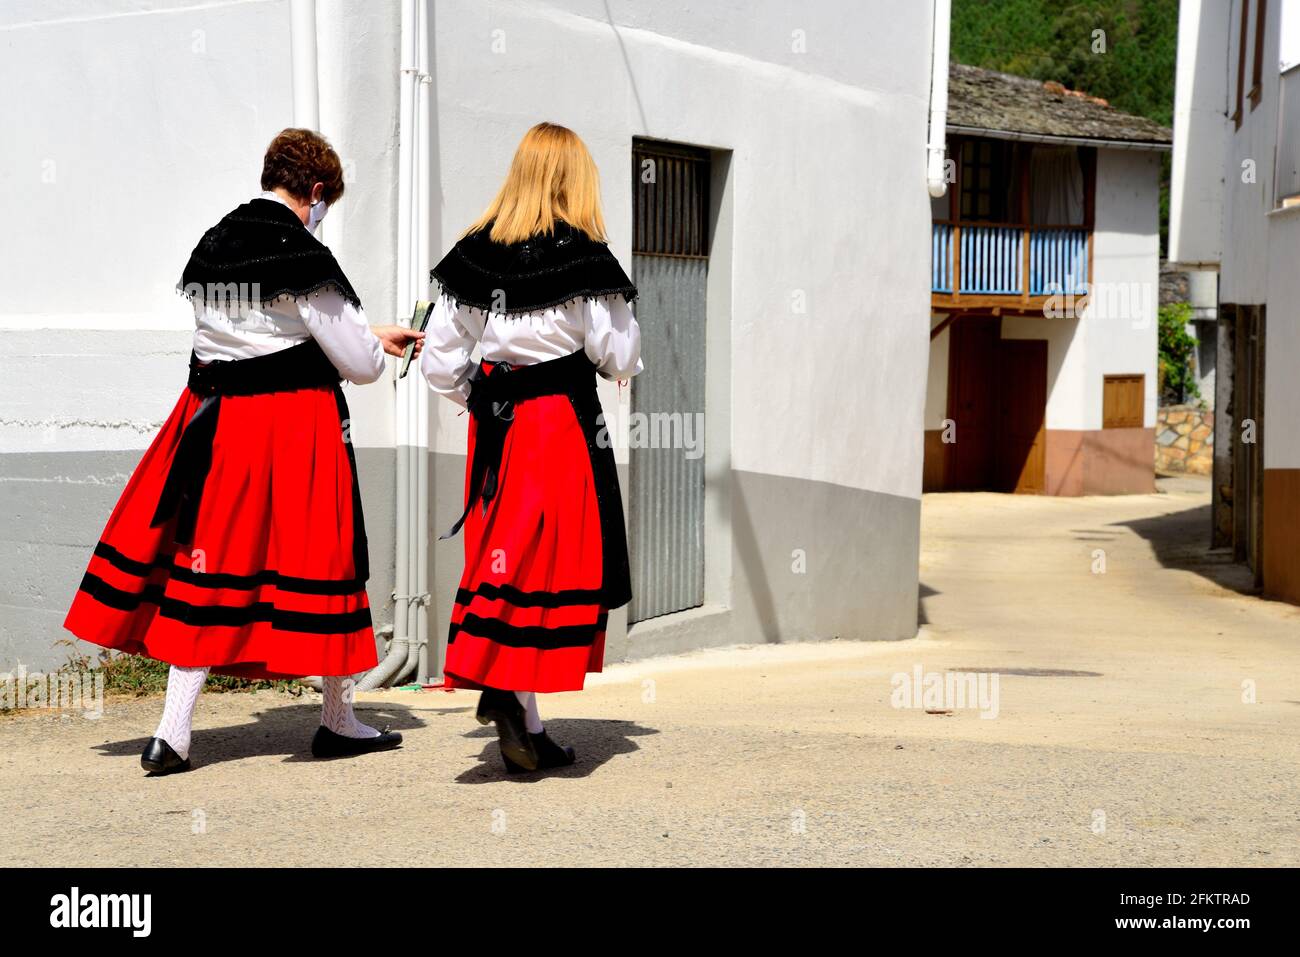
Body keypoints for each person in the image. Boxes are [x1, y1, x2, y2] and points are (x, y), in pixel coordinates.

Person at [63, 128, 424, 774]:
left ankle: (171, 734)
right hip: (294, 427)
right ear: (316, 192)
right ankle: (337, 719)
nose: (321, 217)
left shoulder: (215, 243)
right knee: (331, 559)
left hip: (217, 423)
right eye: (325, 204)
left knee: (206, 572)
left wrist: (368, 334)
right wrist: (376, 343)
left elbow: (257, 338)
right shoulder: (302, 255)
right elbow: (358, 364)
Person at [421, 122, 642, 773]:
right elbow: (619, 356)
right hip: (556, 426)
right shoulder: (583, 259)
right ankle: (500, 689)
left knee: (506, 558)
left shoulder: (476, 253)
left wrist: (485, 404)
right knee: (548, 565)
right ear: (574, 179)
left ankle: (526, 721)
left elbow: (438, 362)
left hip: (496, 427)